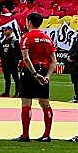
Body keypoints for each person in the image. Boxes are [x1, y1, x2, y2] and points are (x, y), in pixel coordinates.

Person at [17, 12, 55, 142]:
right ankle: (46, 134)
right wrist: (48, 76)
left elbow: (26, 58)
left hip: (30, 71)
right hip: (44, 70)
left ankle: (25, 135)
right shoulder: (47, 38)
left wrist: (34, 74)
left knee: (26, 102)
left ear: (29, 22)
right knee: (45, 102)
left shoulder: (27, 37)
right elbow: (53, 61)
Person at [0, 22, 22, 98]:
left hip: (13, 63)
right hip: (5, 63)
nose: (4, 32)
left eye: (6, 30)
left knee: (16, 78)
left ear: (11, 31)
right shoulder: (3, 42)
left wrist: (17, 60)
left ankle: (18, 92)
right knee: (7, 78)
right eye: (4, 30)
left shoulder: (15, 41)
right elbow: (1, 53)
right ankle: (6, 92)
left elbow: (19, 53)